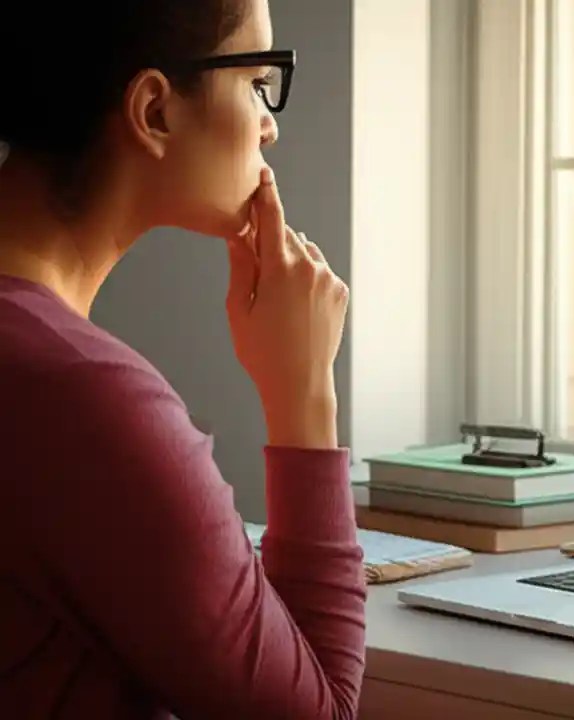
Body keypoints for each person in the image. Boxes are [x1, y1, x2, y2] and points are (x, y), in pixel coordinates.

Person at [0, 3, 364, 717]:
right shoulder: (80, 400)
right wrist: (303, 395)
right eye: (257, 78)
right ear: (155, 111)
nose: (271, 124)